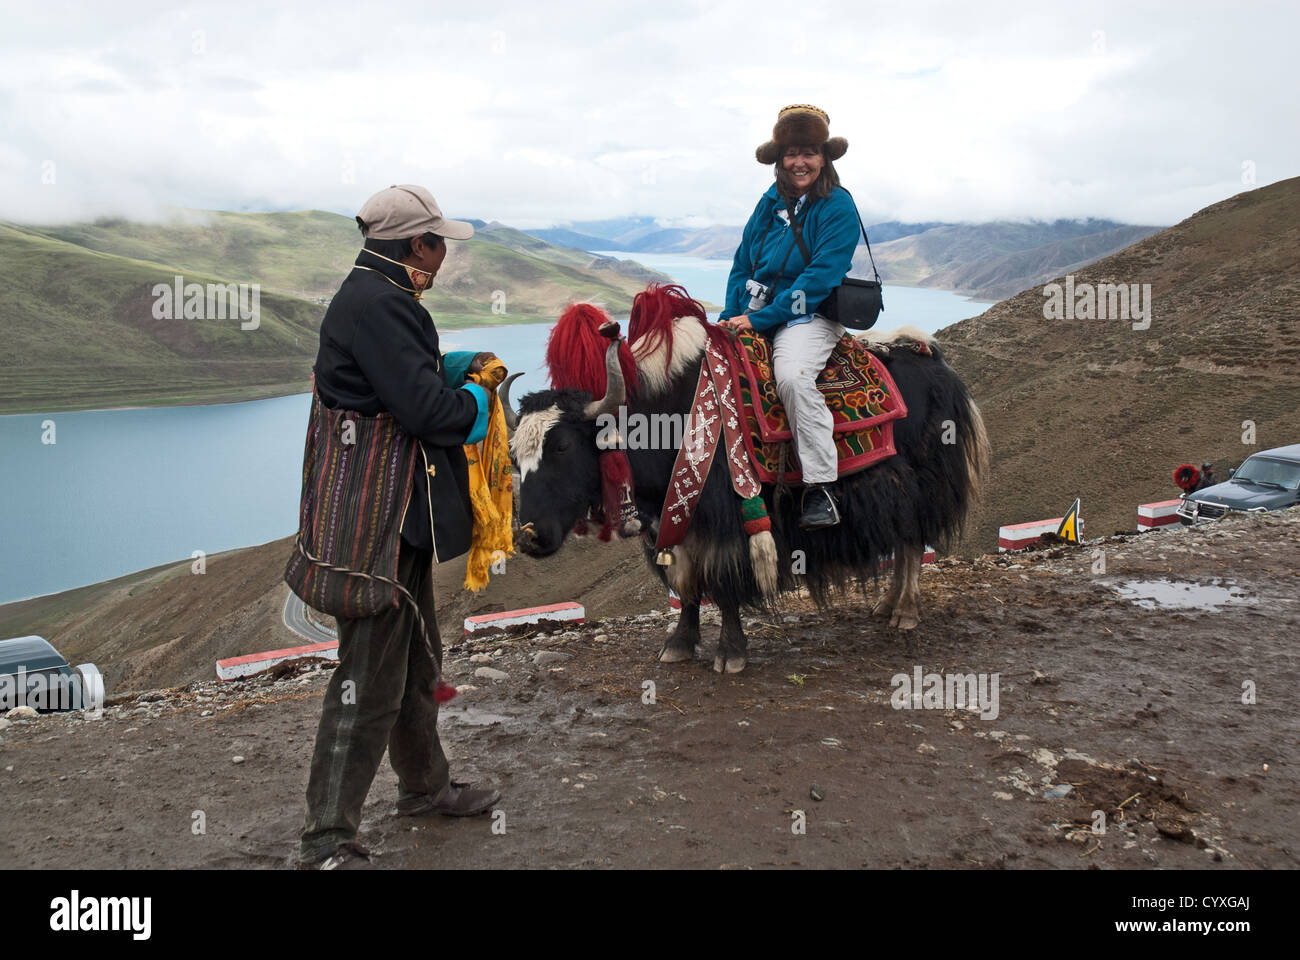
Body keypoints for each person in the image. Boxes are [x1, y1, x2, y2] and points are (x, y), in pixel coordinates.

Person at [296, 184, 500, 869]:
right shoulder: (385, 305)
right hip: (376, 525)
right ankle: (326, 840)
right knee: (367, 680)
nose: (444, 257)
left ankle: (425, 787)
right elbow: (427, 415)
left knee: (417, 659)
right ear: (415, 245)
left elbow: (391, 384)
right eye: (438, 243)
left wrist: (444, 370)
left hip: (390, 517)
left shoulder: (368, 295)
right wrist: (475, 395)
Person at [718, 104, 861, 529]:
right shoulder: (767, 205)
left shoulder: (838, 207)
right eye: (792, 153)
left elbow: (821, 277)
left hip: (808, 315)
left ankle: (821, 488)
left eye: (809, 152)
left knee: (793, 378)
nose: (800, 162)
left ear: (824, 158)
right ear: (780, 160)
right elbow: (742, 263)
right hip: (756, 310)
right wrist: (731, 314)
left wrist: (761, 320)